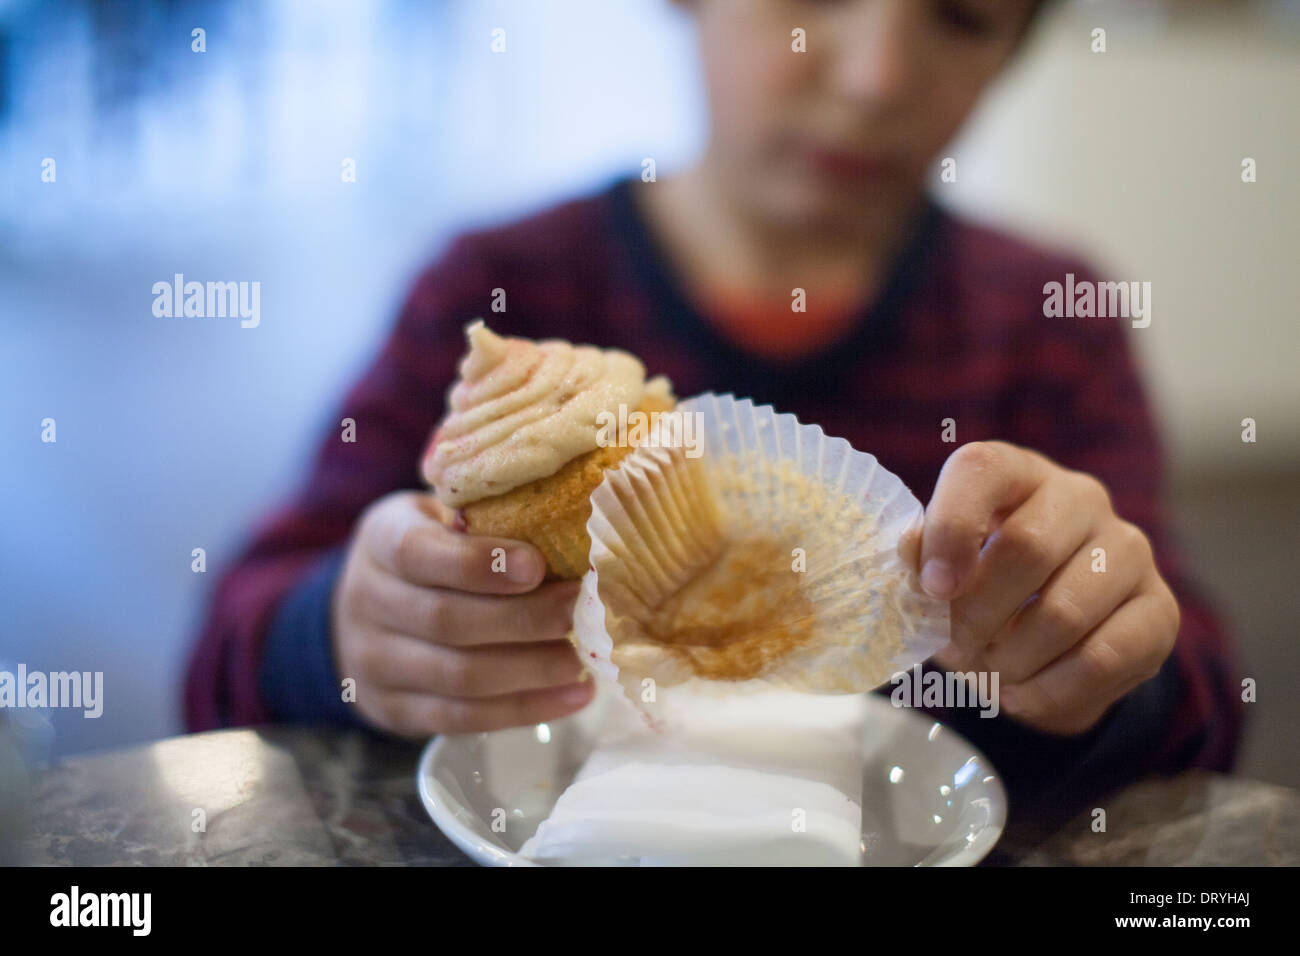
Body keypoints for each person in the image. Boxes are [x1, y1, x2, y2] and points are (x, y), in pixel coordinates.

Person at [184, 0, 1243, 812]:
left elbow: (1201, 711)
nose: (877, 76)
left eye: (960, 15)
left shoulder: (1052, 322)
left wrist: (1099, 665)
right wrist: (343, 633)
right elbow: (222, 662)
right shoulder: (498, 293)